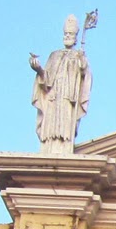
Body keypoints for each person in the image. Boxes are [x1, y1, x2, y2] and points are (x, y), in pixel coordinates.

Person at [28, 14, 92, 153]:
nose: (67, 36)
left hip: (68, 98)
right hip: (53, 98)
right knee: (50, 127)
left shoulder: (78, 56)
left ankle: (63, 146)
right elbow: (46, 80)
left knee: (65, 127)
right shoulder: (54, 55)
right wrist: (38, 69)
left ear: (75, 37)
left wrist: (82, 62)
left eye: (70, 34)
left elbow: (84, 76)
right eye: (66, 33)